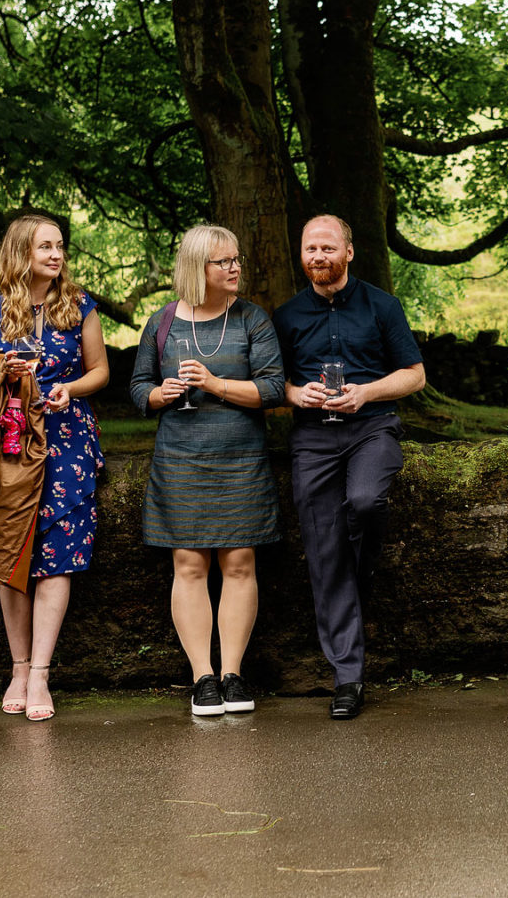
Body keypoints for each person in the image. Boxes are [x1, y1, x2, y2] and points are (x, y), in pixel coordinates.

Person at [272, 215, 425, 719]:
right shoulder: (288, 315)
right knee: (323, 549)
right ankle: (348, 678)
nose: (318, 257)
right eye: (310, 248)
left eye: (327, 248)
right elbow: (275, 386)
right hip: (313, 437)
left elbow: (415, 375)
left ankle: (357, 582)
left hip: (372, 429)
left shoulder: (382, 305)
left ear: (349, 252)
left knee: (364, 501)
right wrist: (299, 393)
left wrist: (367, 392)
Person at [130, 226, 287, 717]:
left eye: (236, 259)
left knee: (240, 563)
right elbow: (137, 387)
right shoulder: (162, 321)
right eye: (224, 262)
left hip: (240, 458)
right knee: (189, 565)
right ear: (198, 268)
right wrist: (162, 395)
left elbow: (274, 389)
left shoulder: (251, 319)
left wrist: (216, 384)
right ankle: (202, 678)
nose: (235, 267)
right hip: (181, 457)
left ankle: (234, 675)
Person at [0, 214, 108, 722]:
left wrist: (70, 389)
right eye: (44, 246)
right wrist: (3, 373)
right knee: (11, 553)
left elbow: (101, 372)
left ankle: (42, 673)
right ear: (20, 253)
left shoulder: (79, 307)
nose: (55, 254)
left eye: (60, 246)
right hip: (10, 444)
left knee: (59, 555)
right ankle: (18, 667)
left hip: (67, 443)